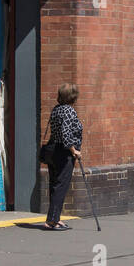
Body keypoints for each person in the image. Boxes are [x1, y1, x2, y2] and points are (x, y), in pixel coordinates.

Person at [44, 82, 83, 231]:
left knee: (55, 185)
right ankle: (52, 221)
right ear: (72, 97)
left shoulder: (56, 110)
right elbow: (66, 135)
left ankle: (54, 218)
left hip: (53, 150)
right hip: (64, 152)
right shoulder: (68, 111)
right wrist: (74, 151)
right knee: (61, 186)